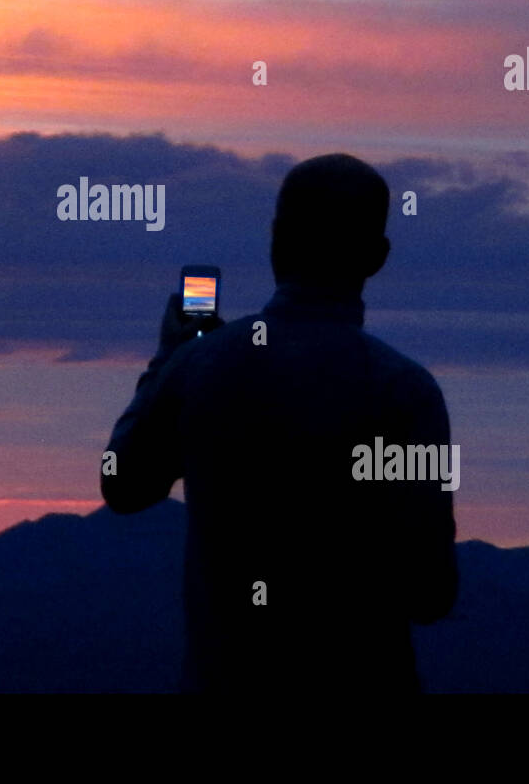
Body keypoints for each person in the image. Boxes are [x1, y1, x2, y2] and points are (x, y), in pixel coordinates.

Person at [100, 153, 458, 693]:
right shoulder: (405, 391)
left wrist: (167, 359)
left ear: (276, 240)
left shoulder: (201, 365)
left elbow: (123, 484)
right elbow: (431, 591)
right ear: (377, 256)